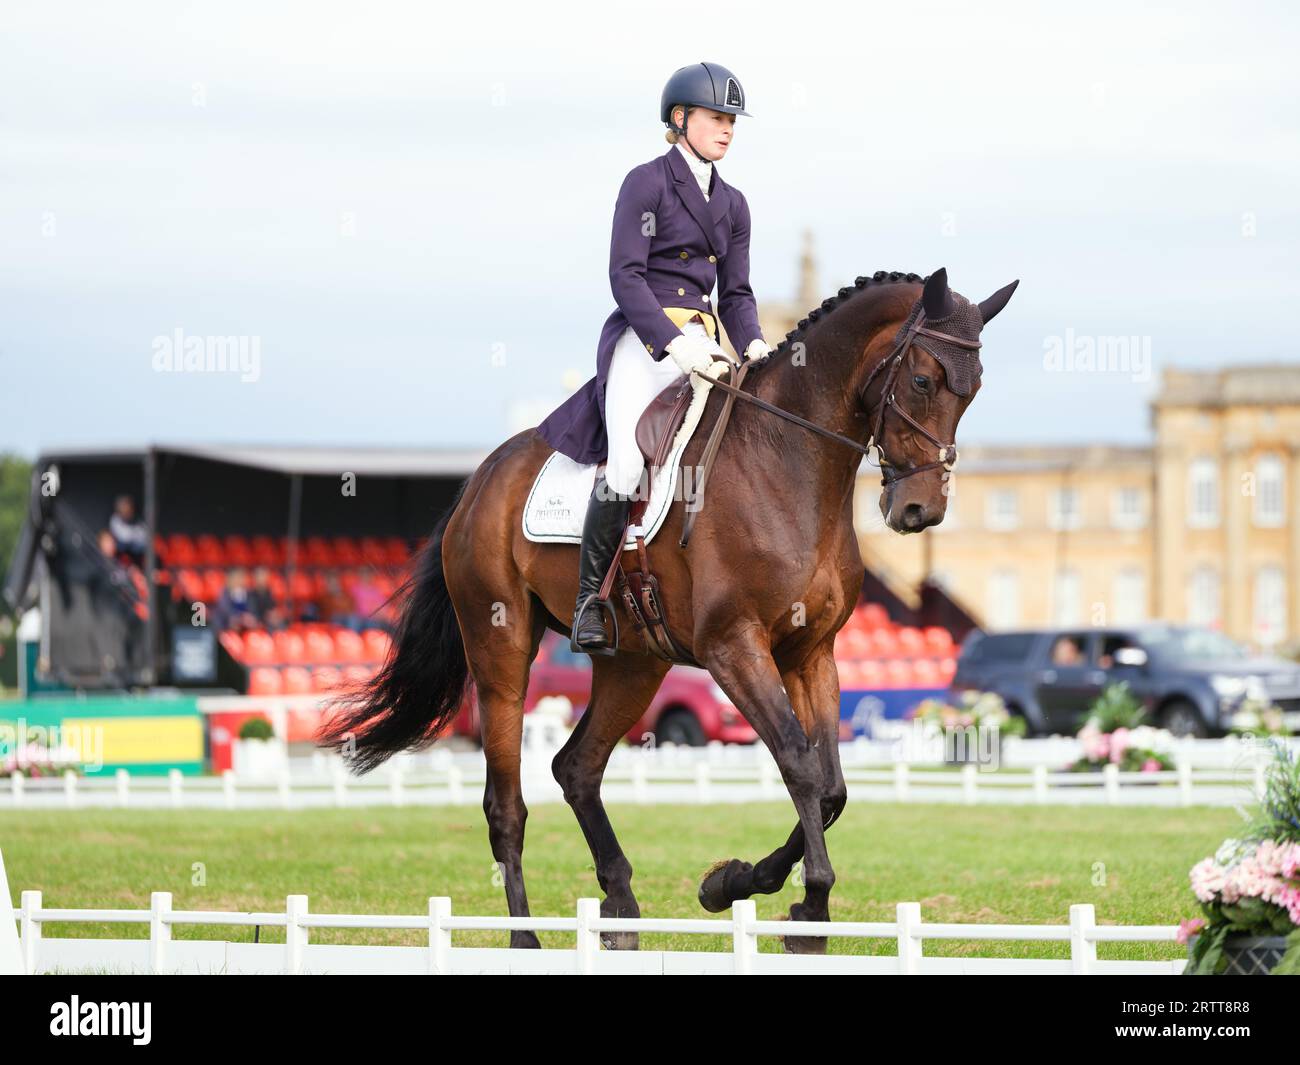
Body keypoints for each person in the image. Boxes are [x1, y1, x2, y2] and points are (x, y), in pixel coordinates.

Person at [536, 61, 770, 653]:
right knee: (624, 466)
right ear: (680, 118)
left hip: (709, 344)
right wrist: (675, 342)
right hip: (647, 340)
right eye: (717, 118)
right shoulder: (647, 183)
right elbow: (626, 276)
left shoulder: (735, 204)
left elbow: (736, 294)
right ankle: (590, 599)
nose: (727, 129)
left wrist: (757, 347)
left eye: (732, 121)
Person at [108, 495, 149, 565]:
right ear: (119, 510)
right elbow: (124, 538)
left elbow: (145, 538)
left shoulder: (139, 521)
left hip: (139, 557)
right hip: (121, 557)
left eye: (129, 510)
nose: (127, 513)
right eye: (124, 509)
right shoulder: (115, 520)